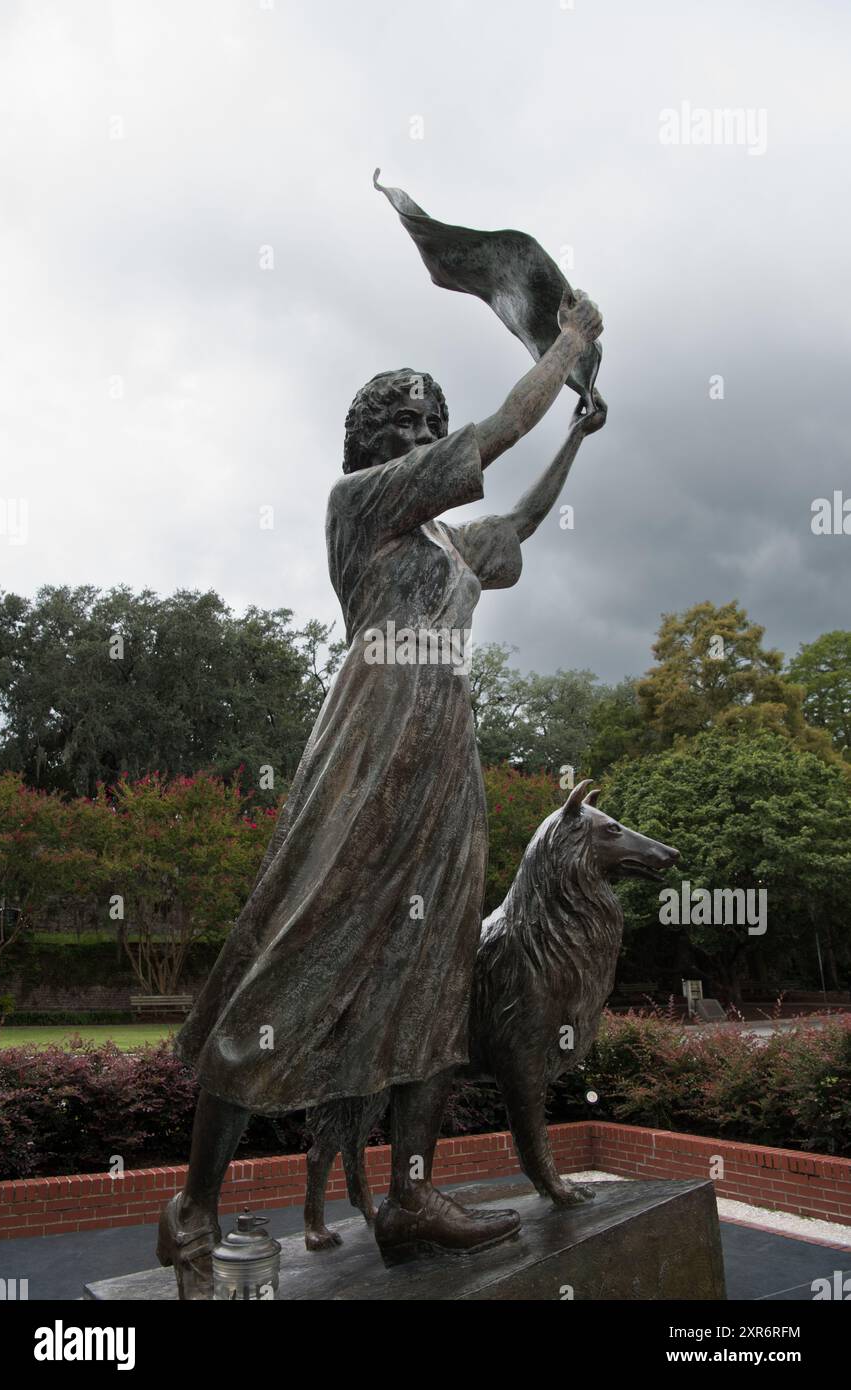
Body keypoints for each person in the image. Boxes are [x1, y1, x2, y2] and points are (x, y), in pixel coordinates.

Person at [158, 291, 605, 1297]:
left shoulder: (452, 548)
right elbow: (494, 434)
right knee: (293, 965)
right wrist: (566, 344)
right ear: (370, 444)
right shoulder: (357, 505)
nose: (416, 434)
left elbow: (520, 515)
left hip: (448, 770)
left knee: (439, 981)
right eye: (397, 423)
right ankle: (193, 1208)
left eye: (423, 422)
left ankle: (410, 1195)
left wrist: (577, 430)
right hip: (366, 753)